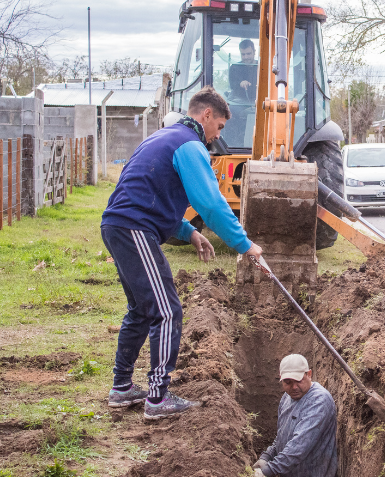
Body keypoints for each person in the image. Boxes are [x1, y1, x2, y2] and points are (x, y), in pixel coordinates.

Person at [102, 86, 263, 420]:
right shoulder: (190, 145)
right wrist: (245, 245)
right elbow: (211, 204)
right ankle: (158, 399)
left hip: (119, 225)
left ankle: (122, 389)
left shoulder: (163, 138)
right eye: (219, 126)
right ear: (206, 115)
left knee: (142, 309)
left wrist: (188, 231)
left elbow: (150, 193)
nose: (218, 135)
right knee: (167, 310)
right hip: (134, 228)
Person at [252, 354, 337, 477]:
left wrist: (269, 470)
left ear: (309, 374)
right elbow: (282, 436)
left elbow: (300, 445)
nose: (294, 387)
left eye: (298, 381)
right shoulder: (287, 397)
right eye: (288, 382)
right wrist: (267, 456)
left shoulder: (319, 401)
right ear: (281, 378)